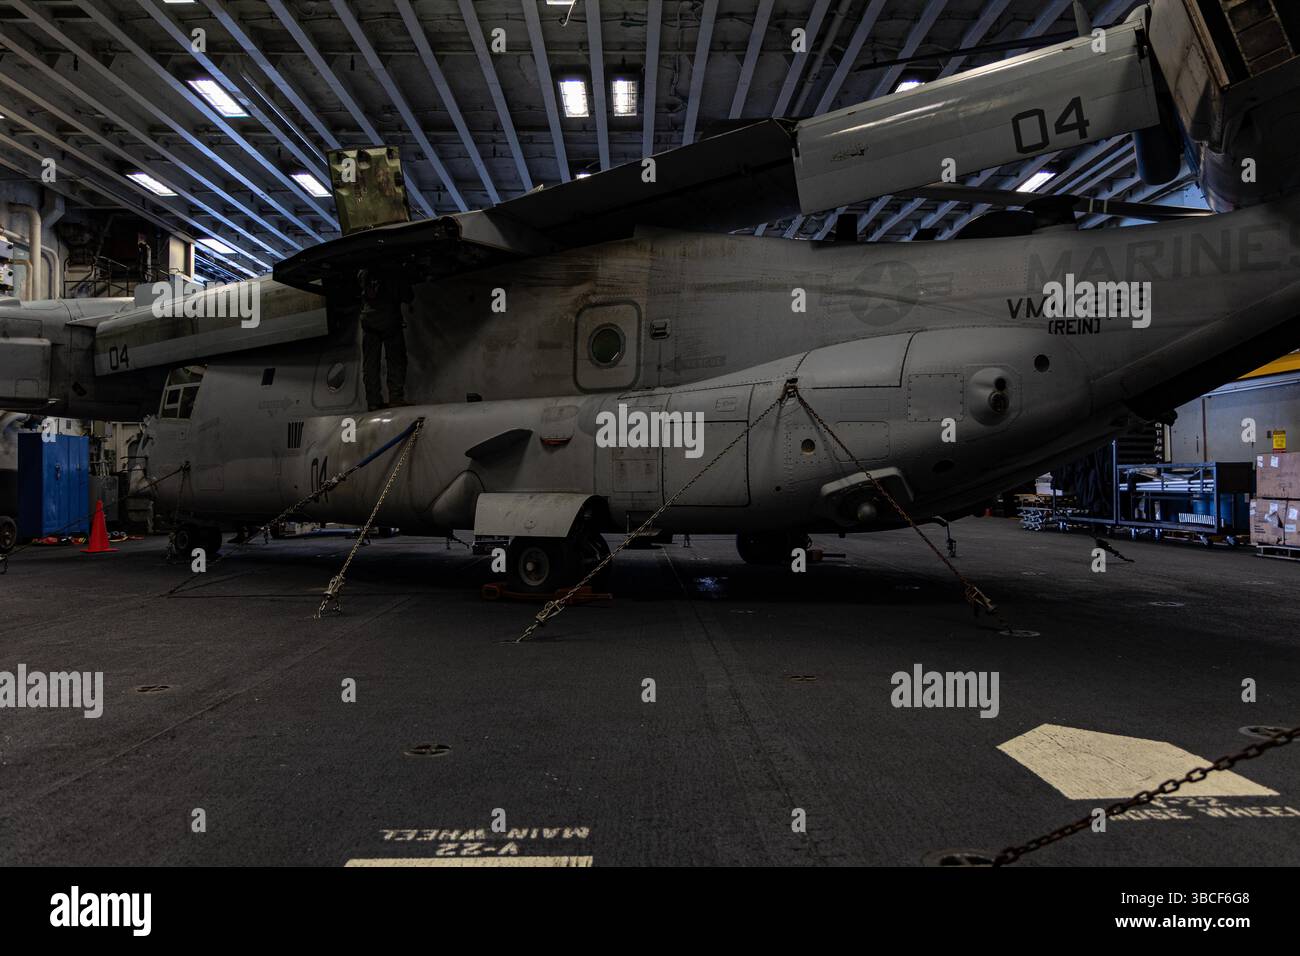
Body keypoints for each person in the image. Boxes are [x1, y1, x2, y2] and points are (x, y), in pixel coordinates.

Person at [358, 268, 413, 410]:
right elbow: (408, 297)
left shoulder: (364, 272)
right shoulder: (395, 271)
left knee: (370, 364)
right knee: (396, 359)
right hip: (390, 321)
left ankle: (373, 402)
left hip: (368, 322)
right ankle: (395, 398)